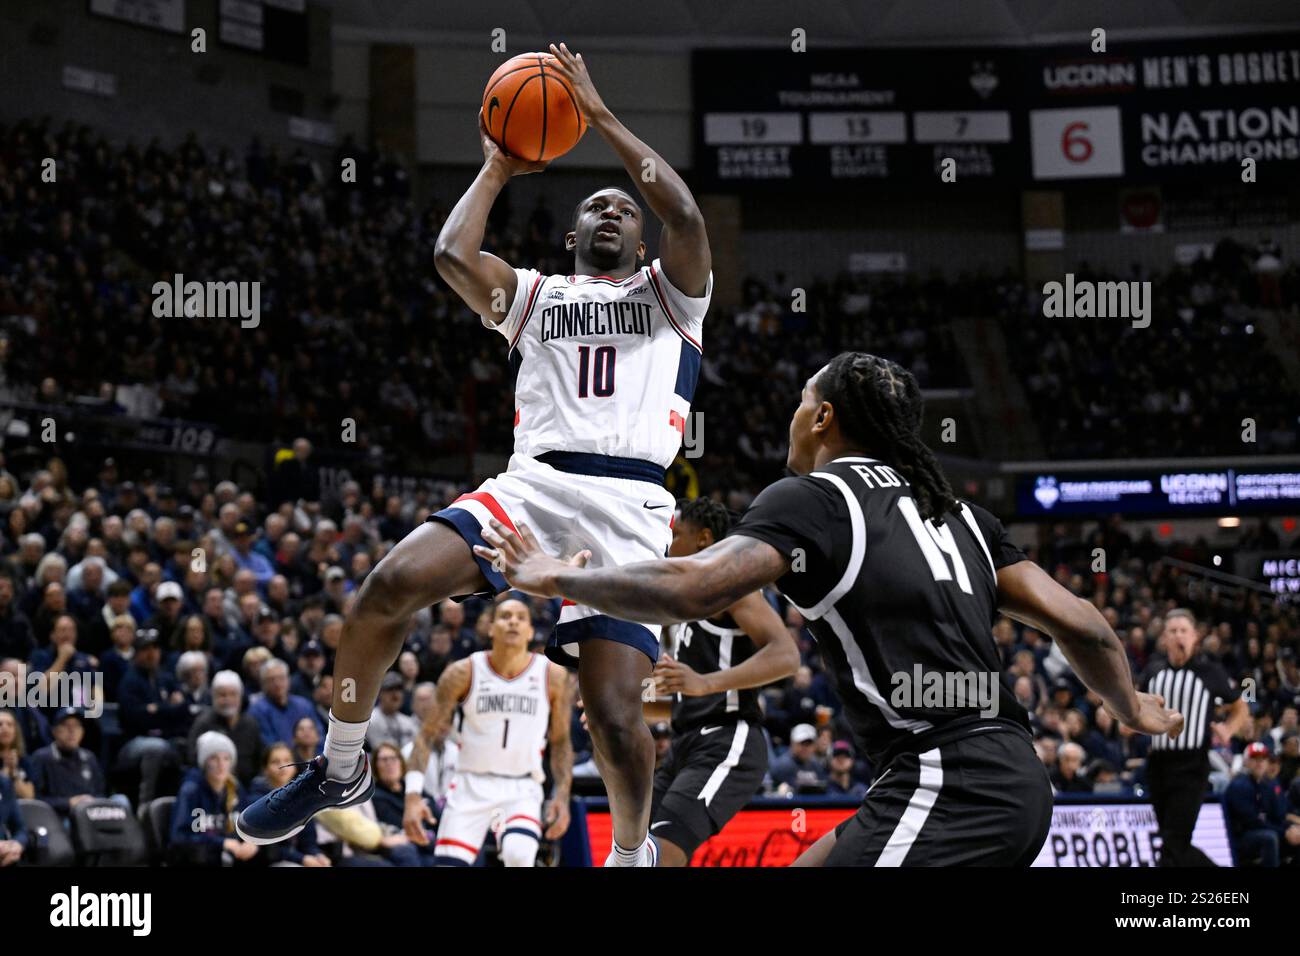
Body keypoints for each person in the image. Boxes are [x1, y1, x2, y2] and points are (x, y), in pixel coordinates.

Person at [239, 42, 711, 871]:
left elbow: (687, 216)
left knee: (613, 717)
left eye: (622, 209)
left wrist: (596, 116)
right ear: (571, 233)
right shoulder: (535, 296)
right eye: (596, 206)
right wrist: (496, 165)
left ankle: (632, 857)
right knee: (387, 587)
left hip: (630, 505)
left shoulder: (671, 297)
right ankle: (342, 767)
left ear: (641, 241)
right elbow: (452, 257)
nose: (611, 211)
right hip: (532, 485)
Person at [479, 351, 1183, 866]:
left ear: (822, 417)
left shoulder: (817, 499)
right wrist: (1129, 707)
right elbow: (1085, 624)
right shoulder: (959, 514)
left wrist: (553, 575)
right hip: (1003, 778)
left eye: (799, 401)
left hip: (952, 781)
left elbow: (693, 586)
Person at [646, 497, 798, 866]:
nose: (668, 543)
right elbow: (674, 686)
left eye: (676, 534)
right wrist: (619, 706)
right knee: (637, 848)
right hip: (684, 742)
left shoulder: (734, 588)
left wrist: (705, 683)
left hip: (729, 738)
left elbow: (786, 656)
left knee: (666, 846)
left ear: (703, 539)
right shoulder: (682, 601)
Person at [397, 599, 572, 867]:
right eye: (505, 616)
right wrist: (412, 796)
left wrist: (561, 795)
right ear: (490, 628)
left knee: (519, 853)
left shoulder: (552, 675)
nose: (512, 621)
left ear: (529, 631)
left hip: (522, 787)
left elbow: (560, 742)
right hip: (470, 785)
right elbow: (426, 735)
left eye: (520, 617)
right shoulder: (463, 672)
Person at [1140, 608, 1249, 866]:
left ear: (1195, 637)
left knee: (1173, 845)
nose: (1178, 636)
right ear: (1164, 638)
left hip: (1192, 766)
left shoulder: (1210, 672)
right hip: (1158, 764)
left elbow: (1240, 707)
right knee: (1174, 843)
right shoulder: (1153, 671)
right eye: (1172, 631)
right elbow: (1139, 706)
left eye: (1183, 631)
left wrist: (1229, 730)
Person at [169, 731, 258, 867]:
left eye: (226, 758)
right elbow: (178, 838)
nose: (221, 764)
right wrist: (221, 843)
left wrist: (251, 842)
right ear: (204, 763)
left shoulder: (236, 788)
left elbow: (248, 826)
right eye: (214, 758)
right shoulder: (190, 790)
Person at [29, 708, 123, 819]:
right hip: (61, 817)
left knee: (121, 800)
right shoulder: (41, 758)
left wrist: (91, 801)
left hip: (92, 814)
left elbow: (101, 792)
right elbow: (37, 799)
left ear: (82, 732)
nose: (72, 731)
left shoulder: (89, 757)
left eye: (77, 726)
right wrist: (68, 802)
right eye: (66, 726)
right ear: (54, 731)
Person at [1224, 742, 1299, 867]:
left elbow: (1278, 815)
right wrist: (1285, 832)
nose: (1260, 763)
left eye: (1263, 759)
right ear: (1246, 762)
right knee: (1269, 837)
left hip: (1261, 830)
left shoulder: (1267, 783)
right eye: (1254, 759)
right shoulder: (1240, 785)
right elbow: (1253, 822)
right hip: (1238, 836)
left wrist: (1293, 829)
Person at [186, 671, 263, 786]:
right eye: (222, 695)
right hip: (212, 786)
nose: (228, 700)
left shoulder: (250, 723)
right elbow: (193, 760)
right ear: (213, 697)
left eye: (233, 694)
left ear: (240, 696)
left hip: (247, 787)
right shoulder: (203, 723)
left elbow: (260, 757)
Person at [769, 724, 828, 792]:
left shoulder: (816, 765)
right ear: (792, 744)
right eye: (802, 743)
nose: (805, 748)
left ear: (814, 746)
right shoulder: (781, 766)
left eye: (809, 744)